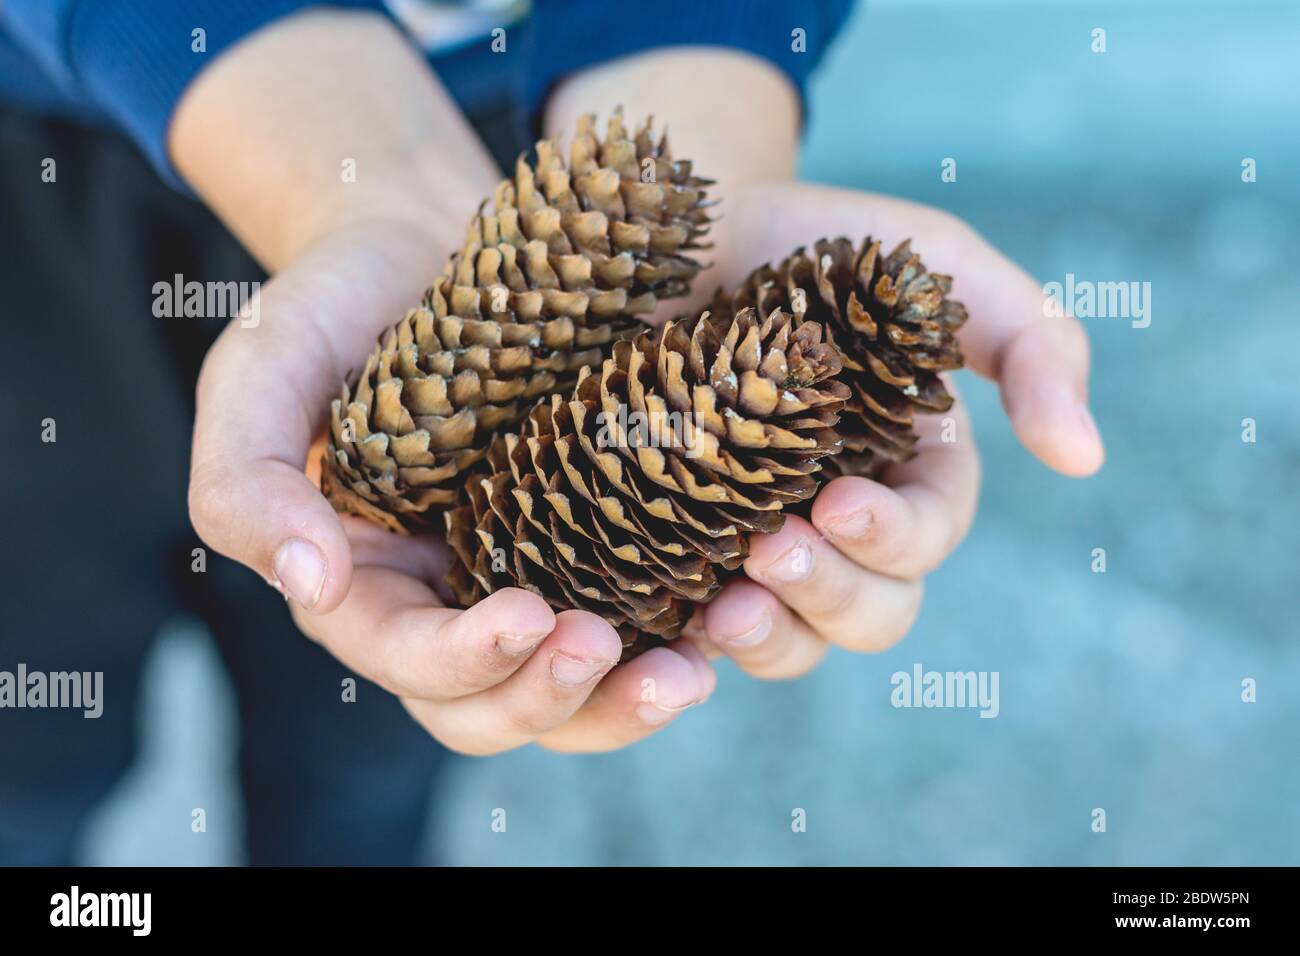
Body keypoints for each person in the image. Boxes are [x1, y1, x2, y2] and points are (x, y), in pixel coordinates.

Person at [0, 1, 1103, 865]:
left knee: (364, 751)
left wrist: (692, 76)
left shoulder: (584, 230)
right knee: (31, 724)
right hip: (51, 161)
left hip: (503, 132)